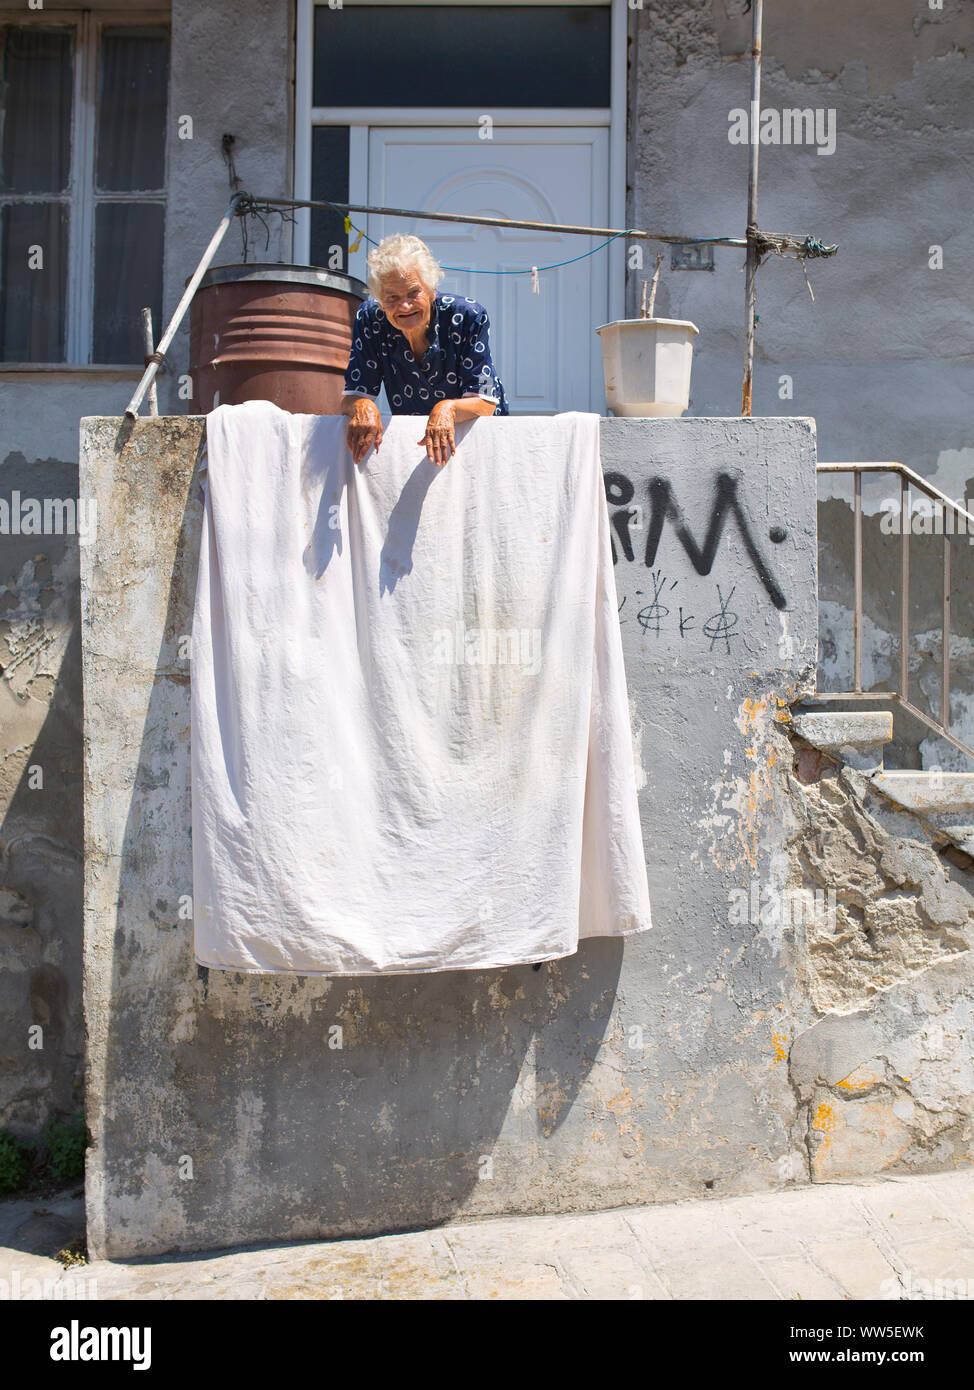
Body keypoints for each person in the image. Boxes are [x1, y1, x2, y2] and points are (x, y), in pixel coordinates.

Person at [340, 233, 509, 467]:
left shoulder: (468, 315)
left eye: (413, 293)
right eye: (392, 297)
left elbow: (485, 401)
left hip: (477, 437)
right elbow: (352, 397)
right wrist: (362, 406)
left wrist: (446, 408)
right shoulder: (370, 319)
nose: (405, 305)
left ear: (431, 290)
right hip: (417, 442)